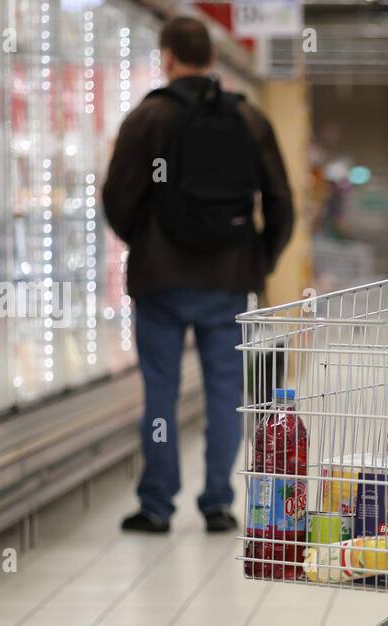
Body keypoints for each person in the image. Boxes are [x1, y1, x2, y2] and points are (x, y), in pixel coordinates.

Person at [102, 16, 293, 534]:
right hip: (229, 281)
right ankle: (217, 503)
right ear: (211, 59)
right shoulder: (249, 120)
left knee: (160, 395)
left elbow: (116, 200)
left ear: (167, 58)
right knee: (225, 394)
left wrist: (147, 241)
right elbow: (281, 203)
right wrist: (259, 261)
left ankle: (158, 506)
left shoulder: (146, 120)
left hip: (160, 282)